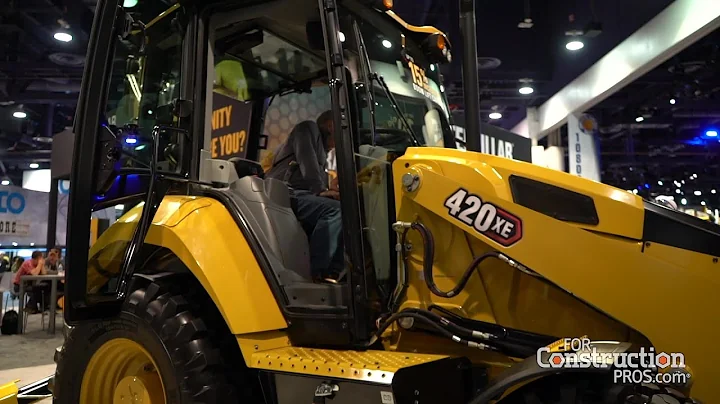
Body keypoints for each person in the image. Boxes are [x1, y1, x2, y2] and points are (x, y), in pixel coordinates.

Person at [266, 110, 344, 280]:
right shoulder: (308, 129)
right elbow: (306, 158)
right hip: (287, 193)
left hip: (303, 194)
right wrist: (320, 190)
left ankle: (335, 274)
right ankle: (318, 273)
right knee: (335, 210)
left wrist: (330, 188)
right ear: (331, 125)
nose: (336, 145)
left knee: (349, 212)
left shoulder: (321, 150)